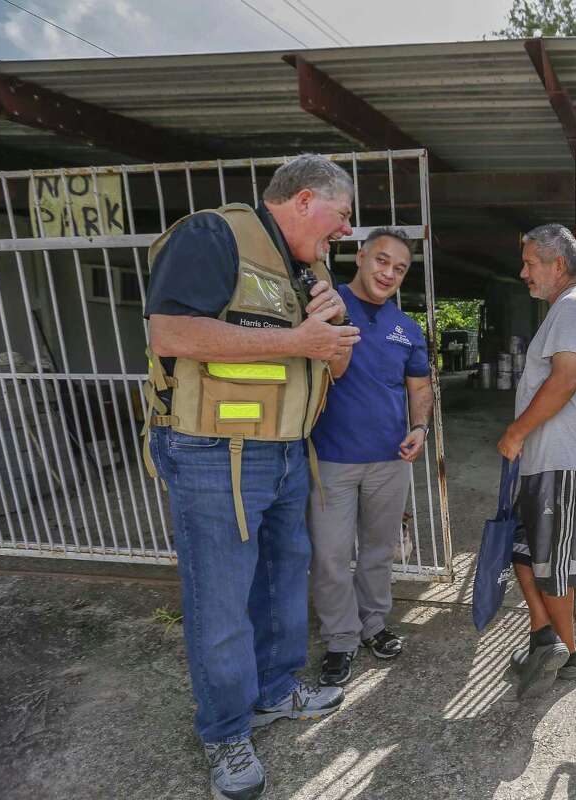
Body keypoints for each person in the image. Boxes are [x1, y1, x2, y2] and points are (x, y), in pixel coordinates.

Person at [143, 154, 360, 800]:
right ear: (303, 200)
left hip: (287, 451)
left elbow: (331, 367)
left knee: (280, 582)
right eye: (341, 216)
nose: (344, 232)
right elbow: (170, 331)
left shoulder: (311, 270)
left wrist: (336, 331)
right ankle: (226, 731)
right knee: (222, 599)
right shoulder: (213, 235)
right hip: (214, 450)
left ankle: (274, 690)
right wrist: (301, 341)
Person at [307, 227, 433, 687]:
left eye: (399, 268)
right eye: (382, 261)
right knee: (331, 556)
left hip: (389, 459)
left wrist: (419, 427)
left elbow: (419, 386)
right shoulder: (327, 304)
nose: (389, 273)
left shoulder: (406, 328)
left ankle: (374, 625)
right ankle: (341, 638)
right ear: (360, 257)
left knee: (378, 551)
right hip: (332, 459)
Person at [497, 224, 576, 695]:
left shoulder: (573, 308)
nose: (523, 272)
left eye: (530, 263)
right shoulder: (563, 311)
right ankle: (546, 639)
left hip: (565, 461)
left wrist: (516, 431)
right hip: (545, 462)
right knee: (524, 553)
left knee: (552, 568)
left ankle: (570, 658)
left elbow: (563, 382)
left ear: (557, 264)